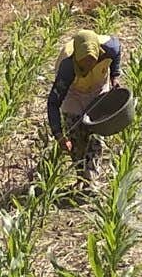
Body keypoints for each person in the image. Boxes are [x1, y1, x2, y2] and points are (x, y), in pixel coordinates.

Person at [46, 28, 123, 179]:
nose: (88, 67)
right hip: (74, 91)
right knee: (76, 136)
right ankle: (80, 175)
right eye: (83, 64)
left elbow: (117, 52)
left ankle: (91, 178)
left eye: (91, 61)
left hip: (98, 86)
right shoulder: (67, 66)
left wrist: (114, 76)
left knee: (97, 134)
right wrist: (59, 135)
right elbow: (53, 103)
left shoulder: (110, 48)